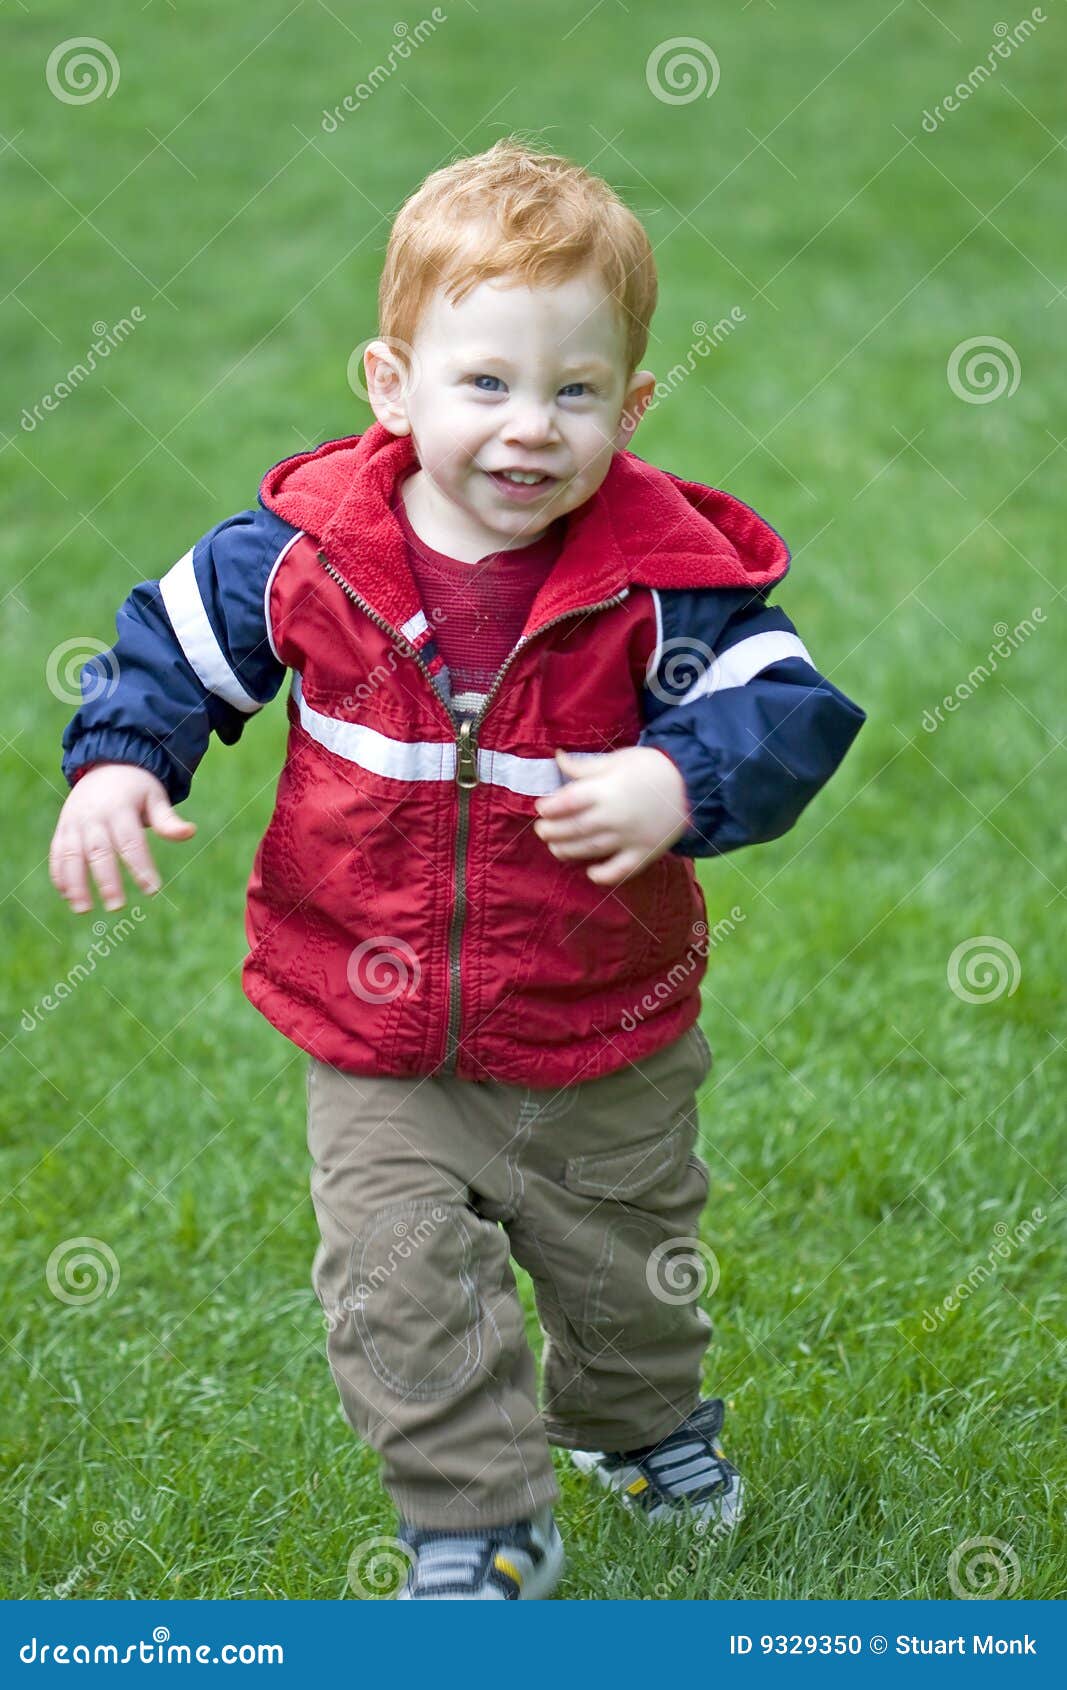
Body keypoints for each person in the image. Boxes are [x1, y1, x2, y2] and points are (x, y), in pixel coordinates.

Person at [51, 137, 866, 1600]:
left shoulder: (663, 580)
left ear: (634, 403)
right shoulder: (308, 555)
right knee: (399, 1282)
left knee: (626, 1276)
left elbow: (789, 707)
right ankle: (477, 1524)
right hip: (377, 1034)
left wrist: (683, 773)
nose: (528, 428)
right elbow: (170, 652)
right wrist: (121, 756)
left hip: (598, 1027)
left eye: (574, 392)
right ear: (392, 384)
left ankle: (638, 1421)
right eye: (485, 383)